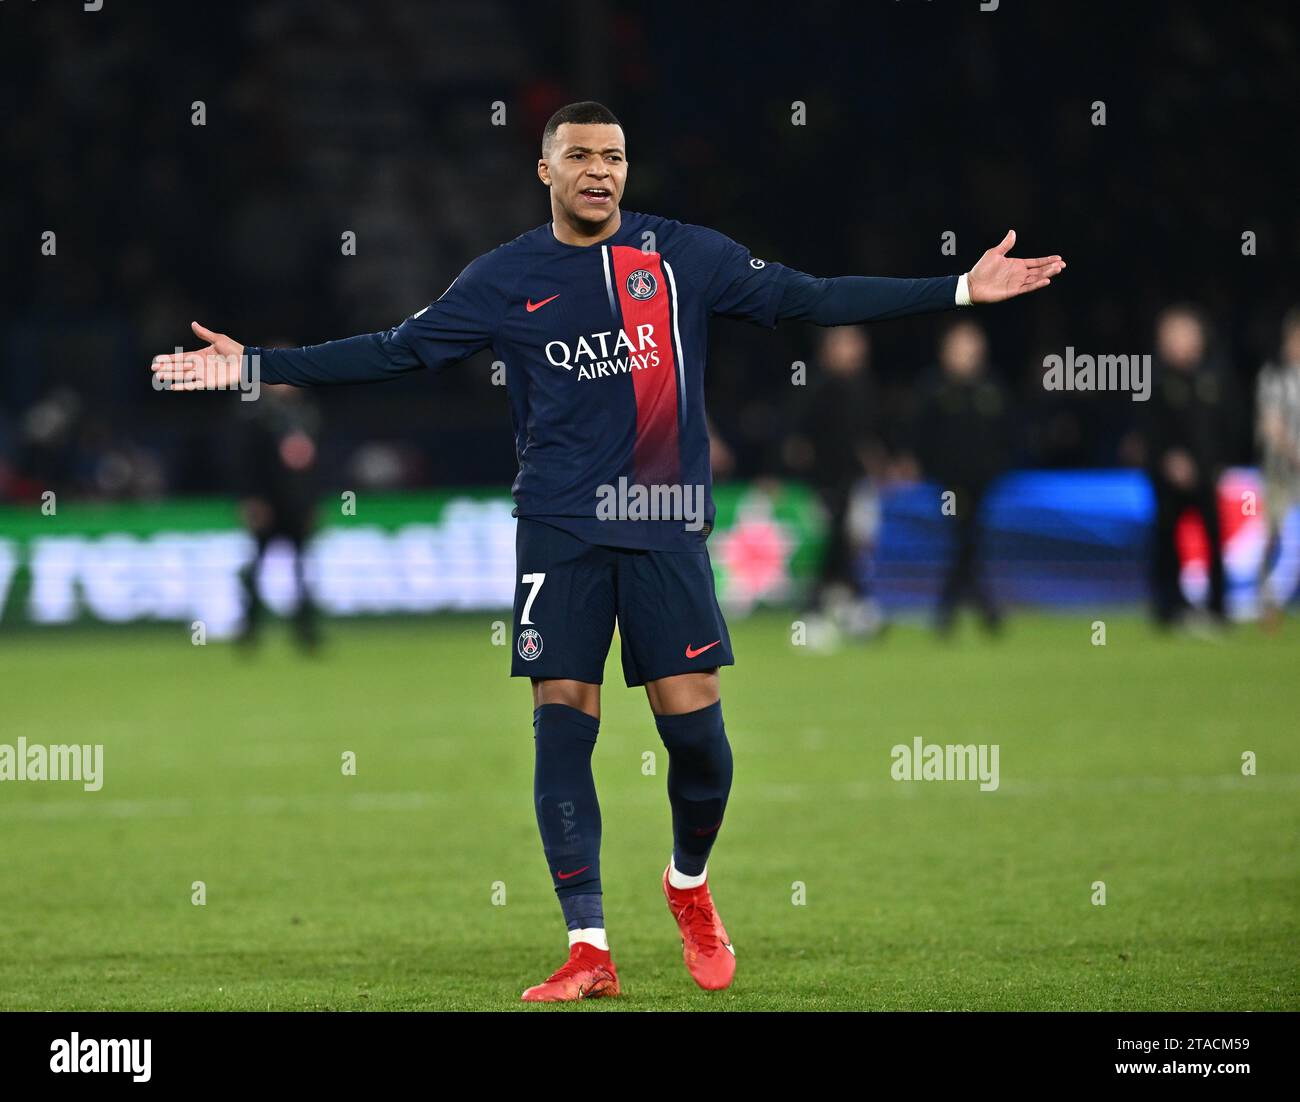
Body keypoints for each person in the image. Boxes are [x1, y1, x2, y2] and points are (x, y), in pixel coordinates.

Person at [150, 101, 1065, 1001]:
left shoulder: (683, 256)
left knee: (700, 740)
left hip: (664, 521)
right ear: (544, 170)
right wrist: (256, 366)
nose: (600, 171)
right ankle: (588, 948)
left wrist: (955, 289)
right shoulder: (506, 276)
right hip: (558, 525)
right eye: (580, 156)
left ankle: (689, 884)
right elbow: (397, 351)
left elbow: (809, 298)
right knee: (562, 723)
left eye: (615, 157)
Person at [784, 326, 886, 644]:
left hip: (854, 483)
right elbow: (794, 442)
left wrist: (878, 464)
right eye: (846, 344)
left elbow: (867, 437)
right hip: (823, 484)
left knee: (848, 545)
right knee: (830, 545)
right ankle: (816, 614)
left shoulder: (864, 388)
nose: (854, 350)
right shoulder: (813, 387)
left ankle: (844, 604)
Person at [912, 321, 1011, 634]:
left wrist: (998, 467)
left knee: (967, 542)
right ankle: (978, 610)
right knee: (964, 539)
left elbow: (1008, 433)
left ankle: (961, 609)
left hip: (983, 481)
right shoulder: (934, 389)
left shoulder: (991, 387)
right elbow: (920, 435)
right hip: (949, 484)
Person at [1143, 305, 1238, 628]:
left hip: (1207, 475)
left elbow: (1232, 426)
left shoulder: (1217, 378)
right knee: (1165, 540)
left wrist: (1217, 463)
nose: (1179, 341)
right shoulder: (1152, 380)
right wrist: (1167, 459)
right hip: (1167, 477)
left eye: (1185, 333)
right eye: (1172, 335)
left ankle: (1217, 607)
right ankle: (1169, 608)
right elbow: (1145, 432)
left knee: (1213, 538)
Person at [234, 382, 323, 651]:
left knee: (302, 571)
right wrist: (251, 499)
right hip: (268, 506)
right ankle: (249, 630)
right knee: (256, 570)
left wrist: (314, 502)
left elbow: (319, 465)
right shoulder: (254, 415)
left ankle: (305, 631)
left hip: (297, 506)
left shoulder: (307, 414)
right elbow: (244, 462)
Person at [1254, 308, 1300, 629]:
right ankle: (1268, 602)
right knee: (1275, 534)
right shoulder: (1275, 375)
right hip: (1282, 472)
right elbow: (1270, 425)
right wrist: (1294, 452)